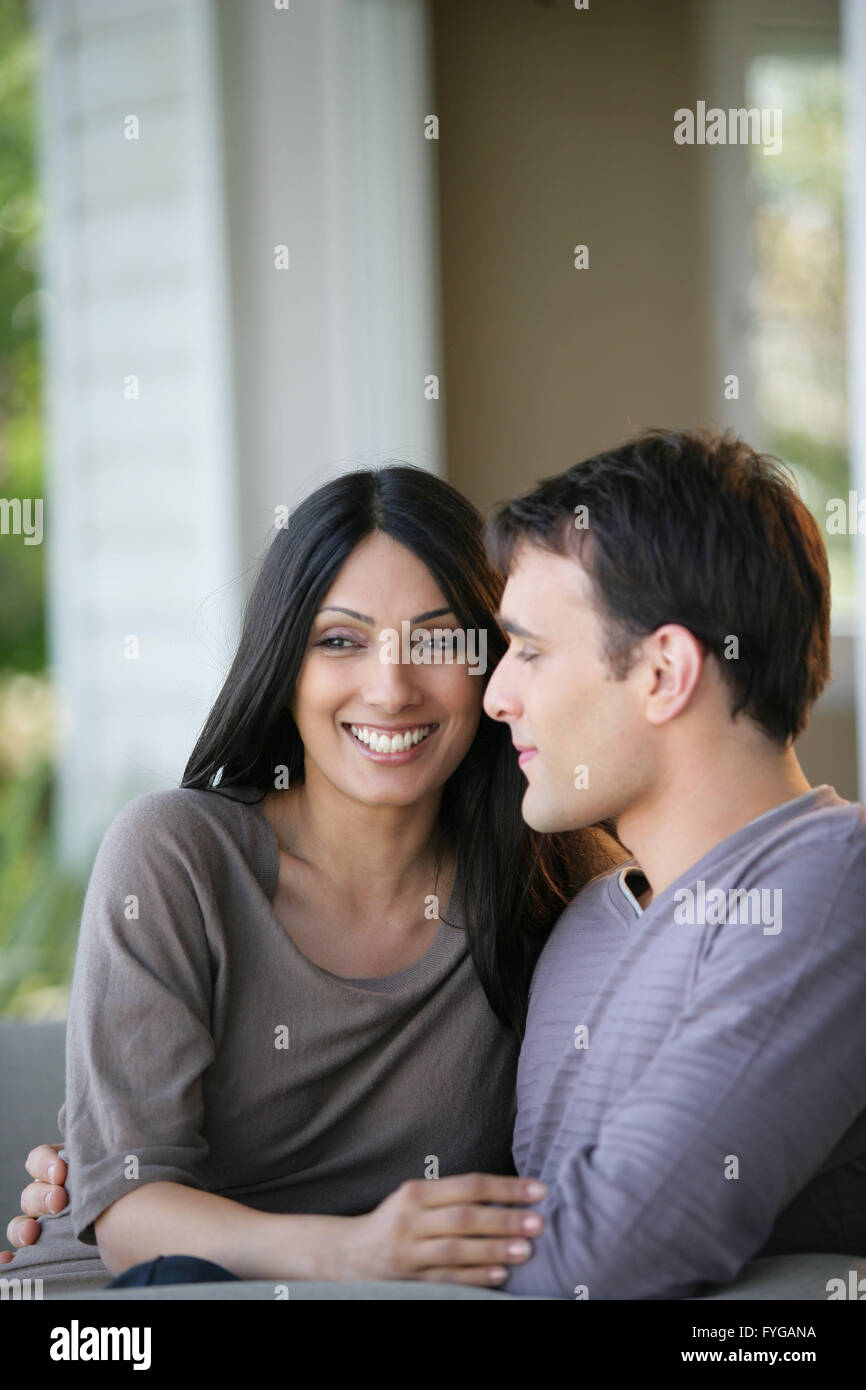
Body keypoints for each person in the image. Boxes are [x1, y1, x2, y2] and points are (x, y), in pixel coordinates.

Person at [0, 463, 621, 1293]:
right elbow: (133, 1217)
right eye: (340, 640)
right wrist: (359, 1251)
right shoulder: (177, 855)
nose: (391, 687)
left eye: (438, 640)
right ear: (284, 664)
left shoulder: (553, 874)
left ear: (491, 668)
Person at [478, 426, 866, 1298]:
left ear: (664, 674)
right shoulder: (587, 921)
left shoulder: (836, 888)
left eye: (531, 652)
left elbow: (598, 1263)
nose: (497, 695)